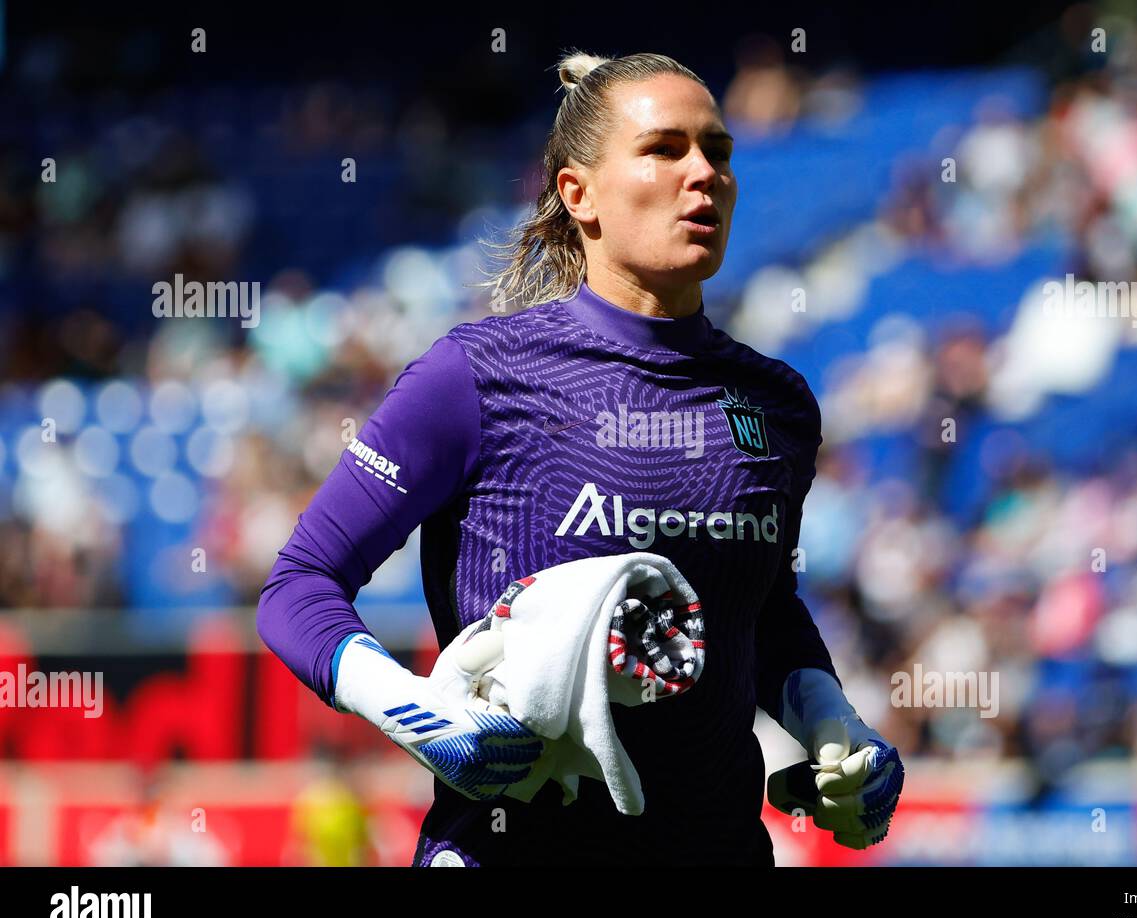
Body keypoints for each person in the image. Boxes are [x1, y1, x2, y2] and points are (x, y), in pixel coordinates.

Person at [257, 49, 901, 867]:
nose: (704, 173)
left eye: (720, 151)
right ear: (578, 193)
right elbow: (300, 586)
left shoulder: (776, 406)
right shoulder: (474, 377)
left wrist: (835, 728)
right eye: (665, 149)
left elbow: (759, 610)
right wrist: (419, 716)